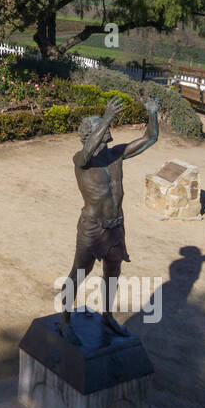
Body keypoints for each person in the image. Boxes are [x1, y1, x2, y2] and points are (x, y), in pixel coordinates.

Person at [60, 95, 161, 343]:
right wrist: (106, 118)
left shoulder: (116, 155)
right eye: (106, 132)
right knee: (79, 272)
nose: (111, 136)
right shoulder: (81, 161)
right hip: (93, 227)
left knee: (113, 271)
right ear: (93, 134)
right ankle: (64, 321)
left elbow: (150, 138)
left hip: (116, 225)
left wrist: (152, 114)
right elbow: (87, 152)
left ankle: (107, 316)